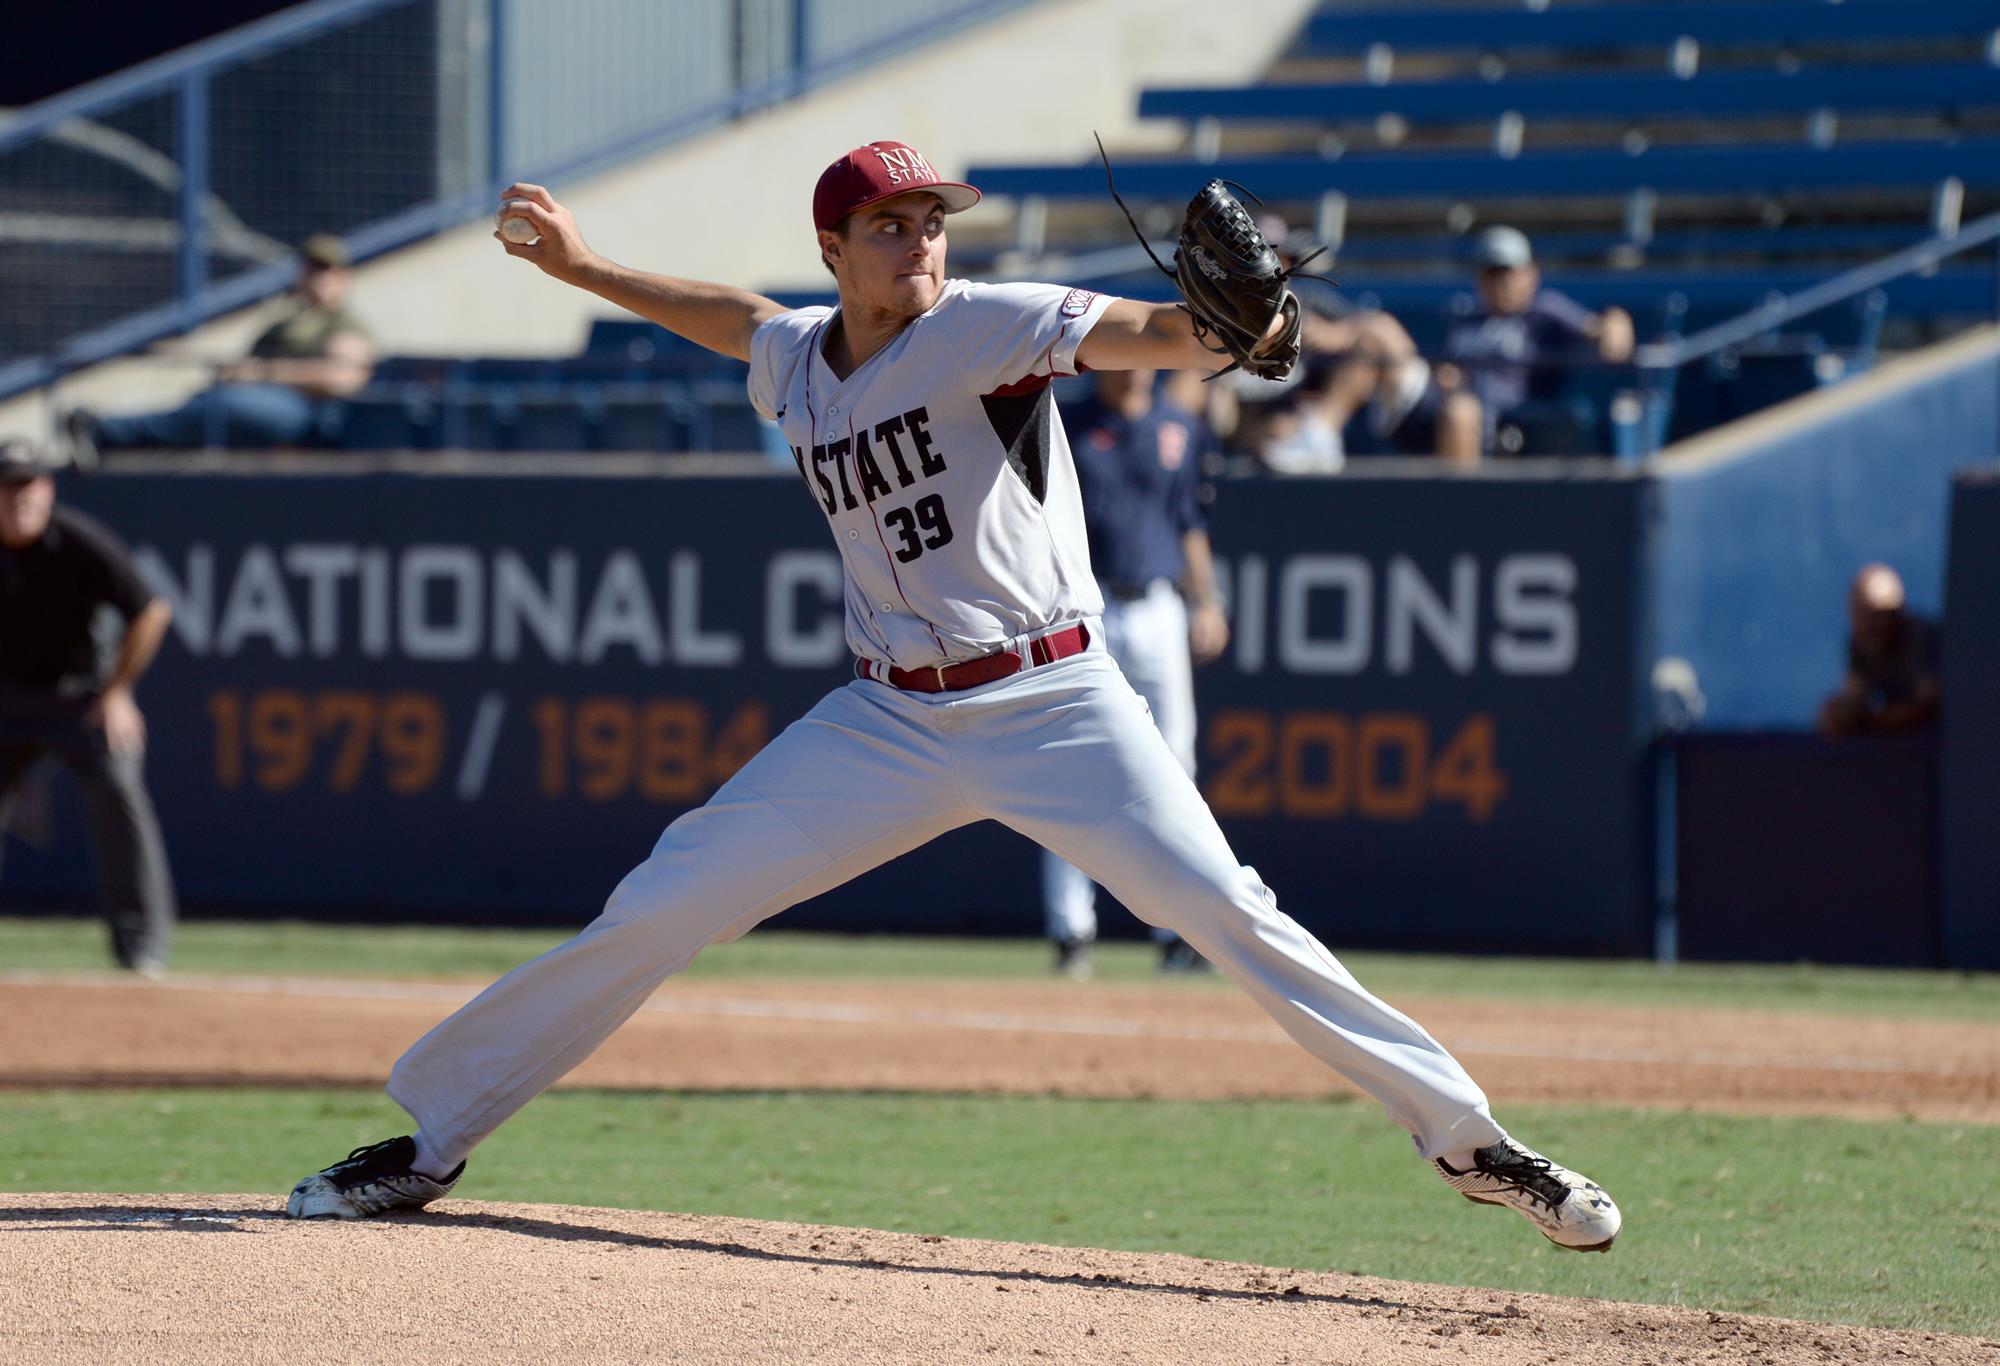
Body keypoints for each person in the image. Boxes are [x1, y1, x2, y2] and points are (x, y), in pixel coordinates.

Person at [283, 141, 1622, 1256]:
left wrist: (1248, 328)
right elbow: (733, 319)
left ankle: (1473, 1143)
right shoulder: (802, 358)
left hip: (1058, 700)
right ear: (835, 248)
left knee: (1229, 910)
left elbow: (1158, 334)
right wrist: (582, 269)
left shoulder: (982, 323)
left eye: (931, 220)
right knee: (665, 895)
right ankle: (433, 1137)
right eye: (889, 223)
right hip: (888, 721)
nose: (920, 241)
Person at [1045, 368, 1229, 979]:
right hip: (1085, 607)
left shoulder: (1178, 426)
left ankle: (1180, 931)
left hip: (1158, 604)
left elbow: (1189, 524)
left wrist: (1205, 602)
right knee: (1073, 768)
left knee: (1176, 770)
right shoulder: (1069, 423)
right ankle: (1072, 930)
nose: (1133, 366)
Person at [0, 442, 178, 973]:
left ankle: (141, 946)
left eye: (30, 485)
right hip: (7, 697)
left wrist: (117, 691)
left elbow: (151, 611)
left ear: (48, 490)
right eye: (8, 487)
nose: (19, 498)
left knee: (120, 790)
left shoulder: (77, 541)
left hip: (80, 698)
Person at [1318, 226, 1636, 464]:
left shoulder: (1544, 311)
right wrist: (1445, 374)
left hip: (1495, 421)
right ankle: (1317, 434)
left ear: (1529, 274)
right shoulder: (1466, 317)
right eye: (1490, 273)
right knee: (1377, 331)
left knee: (1461, 411)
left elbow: (1600, 327)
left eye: (1507, 273)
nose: (1499, 283)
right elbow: (1444, 363)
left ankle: (1458, 513)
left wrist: (1617, 320)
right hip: (1433, 405)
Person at [68, 235, 375, 456]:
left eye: (327, 270)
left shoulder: (344, 324)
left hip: (308, 415)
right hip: (258, 400)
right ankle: (111, 439)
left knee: (223, 407)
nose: (318, 278)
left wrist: (265, 373)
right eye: (312, 269)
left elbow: (341, 378)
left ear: (343, 278)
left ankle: (107, 431)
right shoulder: (286, 320)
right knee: (205, 402)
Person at [1819, 563, 1942, 736]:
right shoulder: (1859, 644)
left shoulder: (1920, 639)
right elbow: (1855, 697)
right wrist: (1839, 714)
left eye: (1875, 617)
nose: (1866, 626)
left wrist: (1872, 721)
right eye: (1858, 615)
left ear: (1897, 614)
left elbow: (1926, 707)